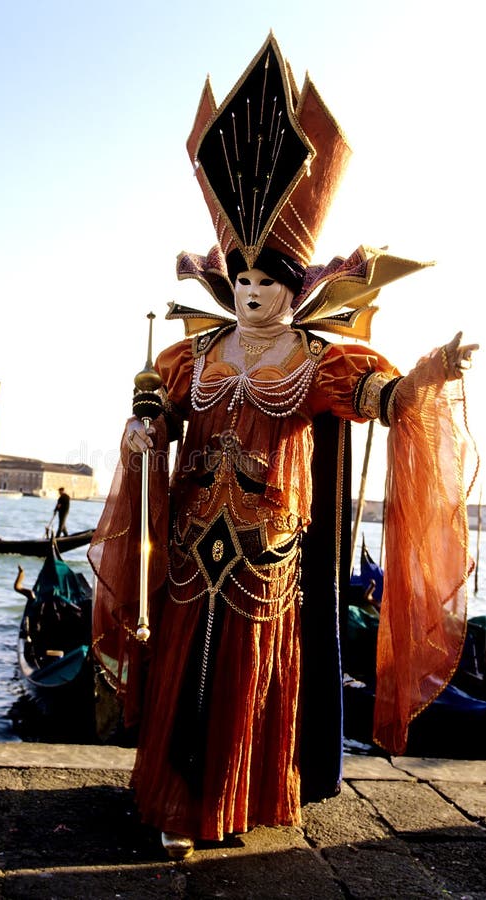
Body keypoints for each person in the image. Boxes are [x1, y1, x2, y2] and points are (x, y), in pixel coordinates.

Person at [89, 34, 479, 860]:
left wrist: (427, 374)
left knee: (249, 676)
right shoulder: (189, 354)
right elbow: (156, 416)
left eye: (268, 282)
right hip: (194, 548)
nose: (254, 292)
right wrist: (140, 431)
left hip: (268, 551)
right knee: (185, 670)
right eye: (242, 282)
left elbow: (386, 404)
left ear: (293, 288)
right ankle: (172, 801)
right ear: (226, 284)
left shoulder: (319, 358)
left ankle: (233, 804)